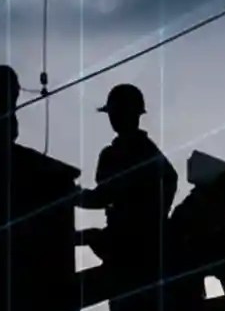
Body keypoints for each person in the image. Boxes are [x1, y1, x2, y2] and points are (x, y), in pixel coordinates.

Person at [76, 84, 177, 279]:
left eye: (118, 113)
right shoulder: (134, 151)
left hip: (132, 241)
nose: (114, 119)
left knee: (87, 238)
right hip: (133, 236)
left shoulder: (131, 152)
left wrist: (74, 198)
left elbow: (104, 196)